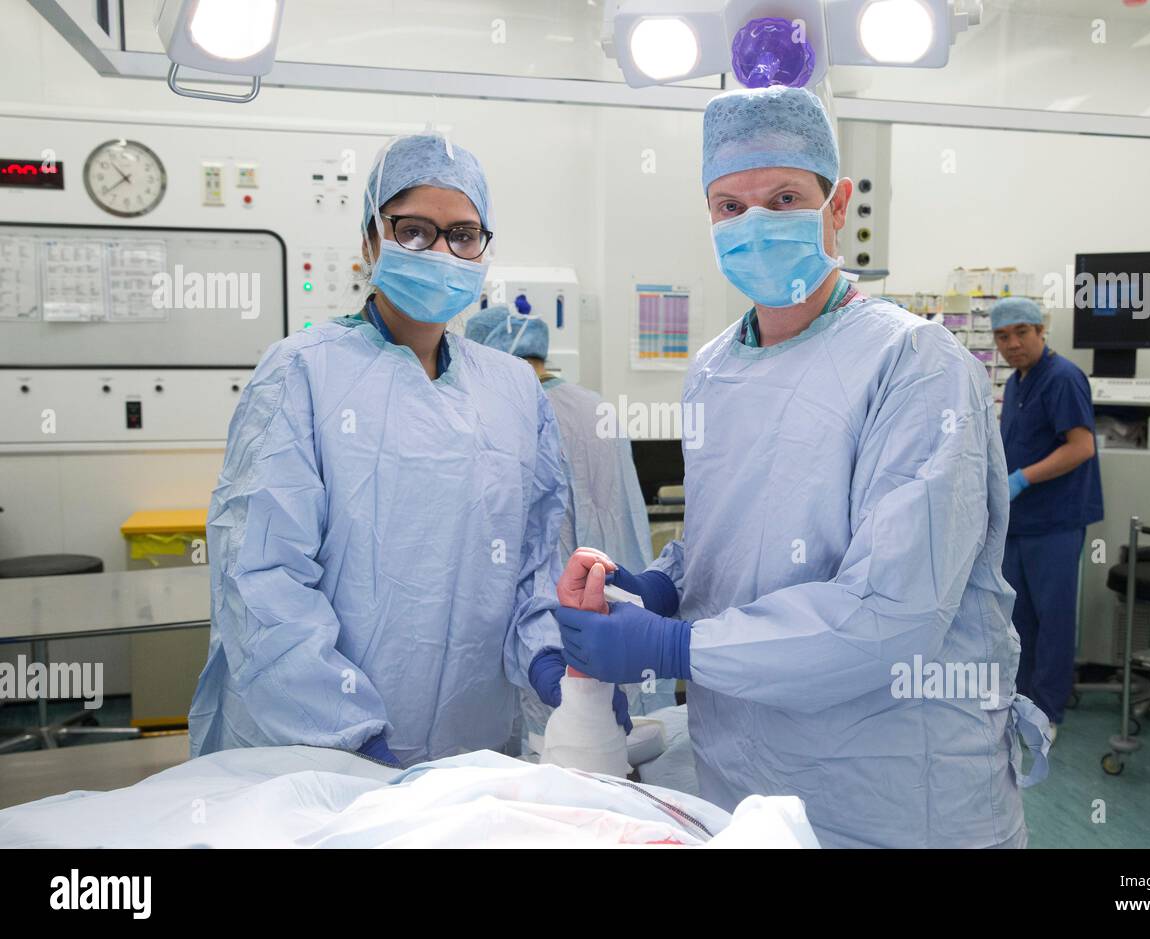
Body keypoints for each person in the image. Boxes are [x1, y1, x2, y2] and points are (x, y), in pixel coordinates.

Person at [552, 84, 1050, 848]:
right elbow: (731, 538)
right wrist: (664, 583)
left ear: (837, 204)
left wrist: (673, 646)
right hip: (748, 784)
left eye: (783, 196)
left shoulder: (912, 363)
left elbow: (890, 611)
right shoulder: (715, 368)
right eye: (728, 205)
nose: (753, 224)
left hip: (893, 794)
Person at [189, 133, 607, 768]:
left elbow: (536, 560)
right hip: (320, 750)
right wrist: (347, 733)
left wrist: (554, 665)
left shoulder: (513, 389)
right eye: (414, 231)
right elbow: (263, 578)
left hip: (473, 746)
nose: (441, 251)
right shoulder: (303, 372)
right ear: (370, 240)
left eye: (463, 235)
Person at [464, 302, 673, 752]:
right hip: (618, 604)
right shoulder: (595, 408)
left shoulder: (503, 416)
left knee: (553, 746)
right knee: (621, 745)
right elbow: (628, 513)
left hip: (538, 623)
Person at [990, 296, 1103, 735]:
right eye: (1003, 336)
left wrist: (1021, 479)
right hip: (1021, 521)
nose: (1013, 343)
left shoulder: (1063, 378)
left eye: (1022, 332)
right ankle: (1022, 702)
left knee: (1052, 617)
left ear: (1041, 331)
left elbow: (1081, 447)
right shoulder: (1018, 381)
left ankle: (1048, 711)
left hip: (1055, 519)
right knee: (1019, 620)